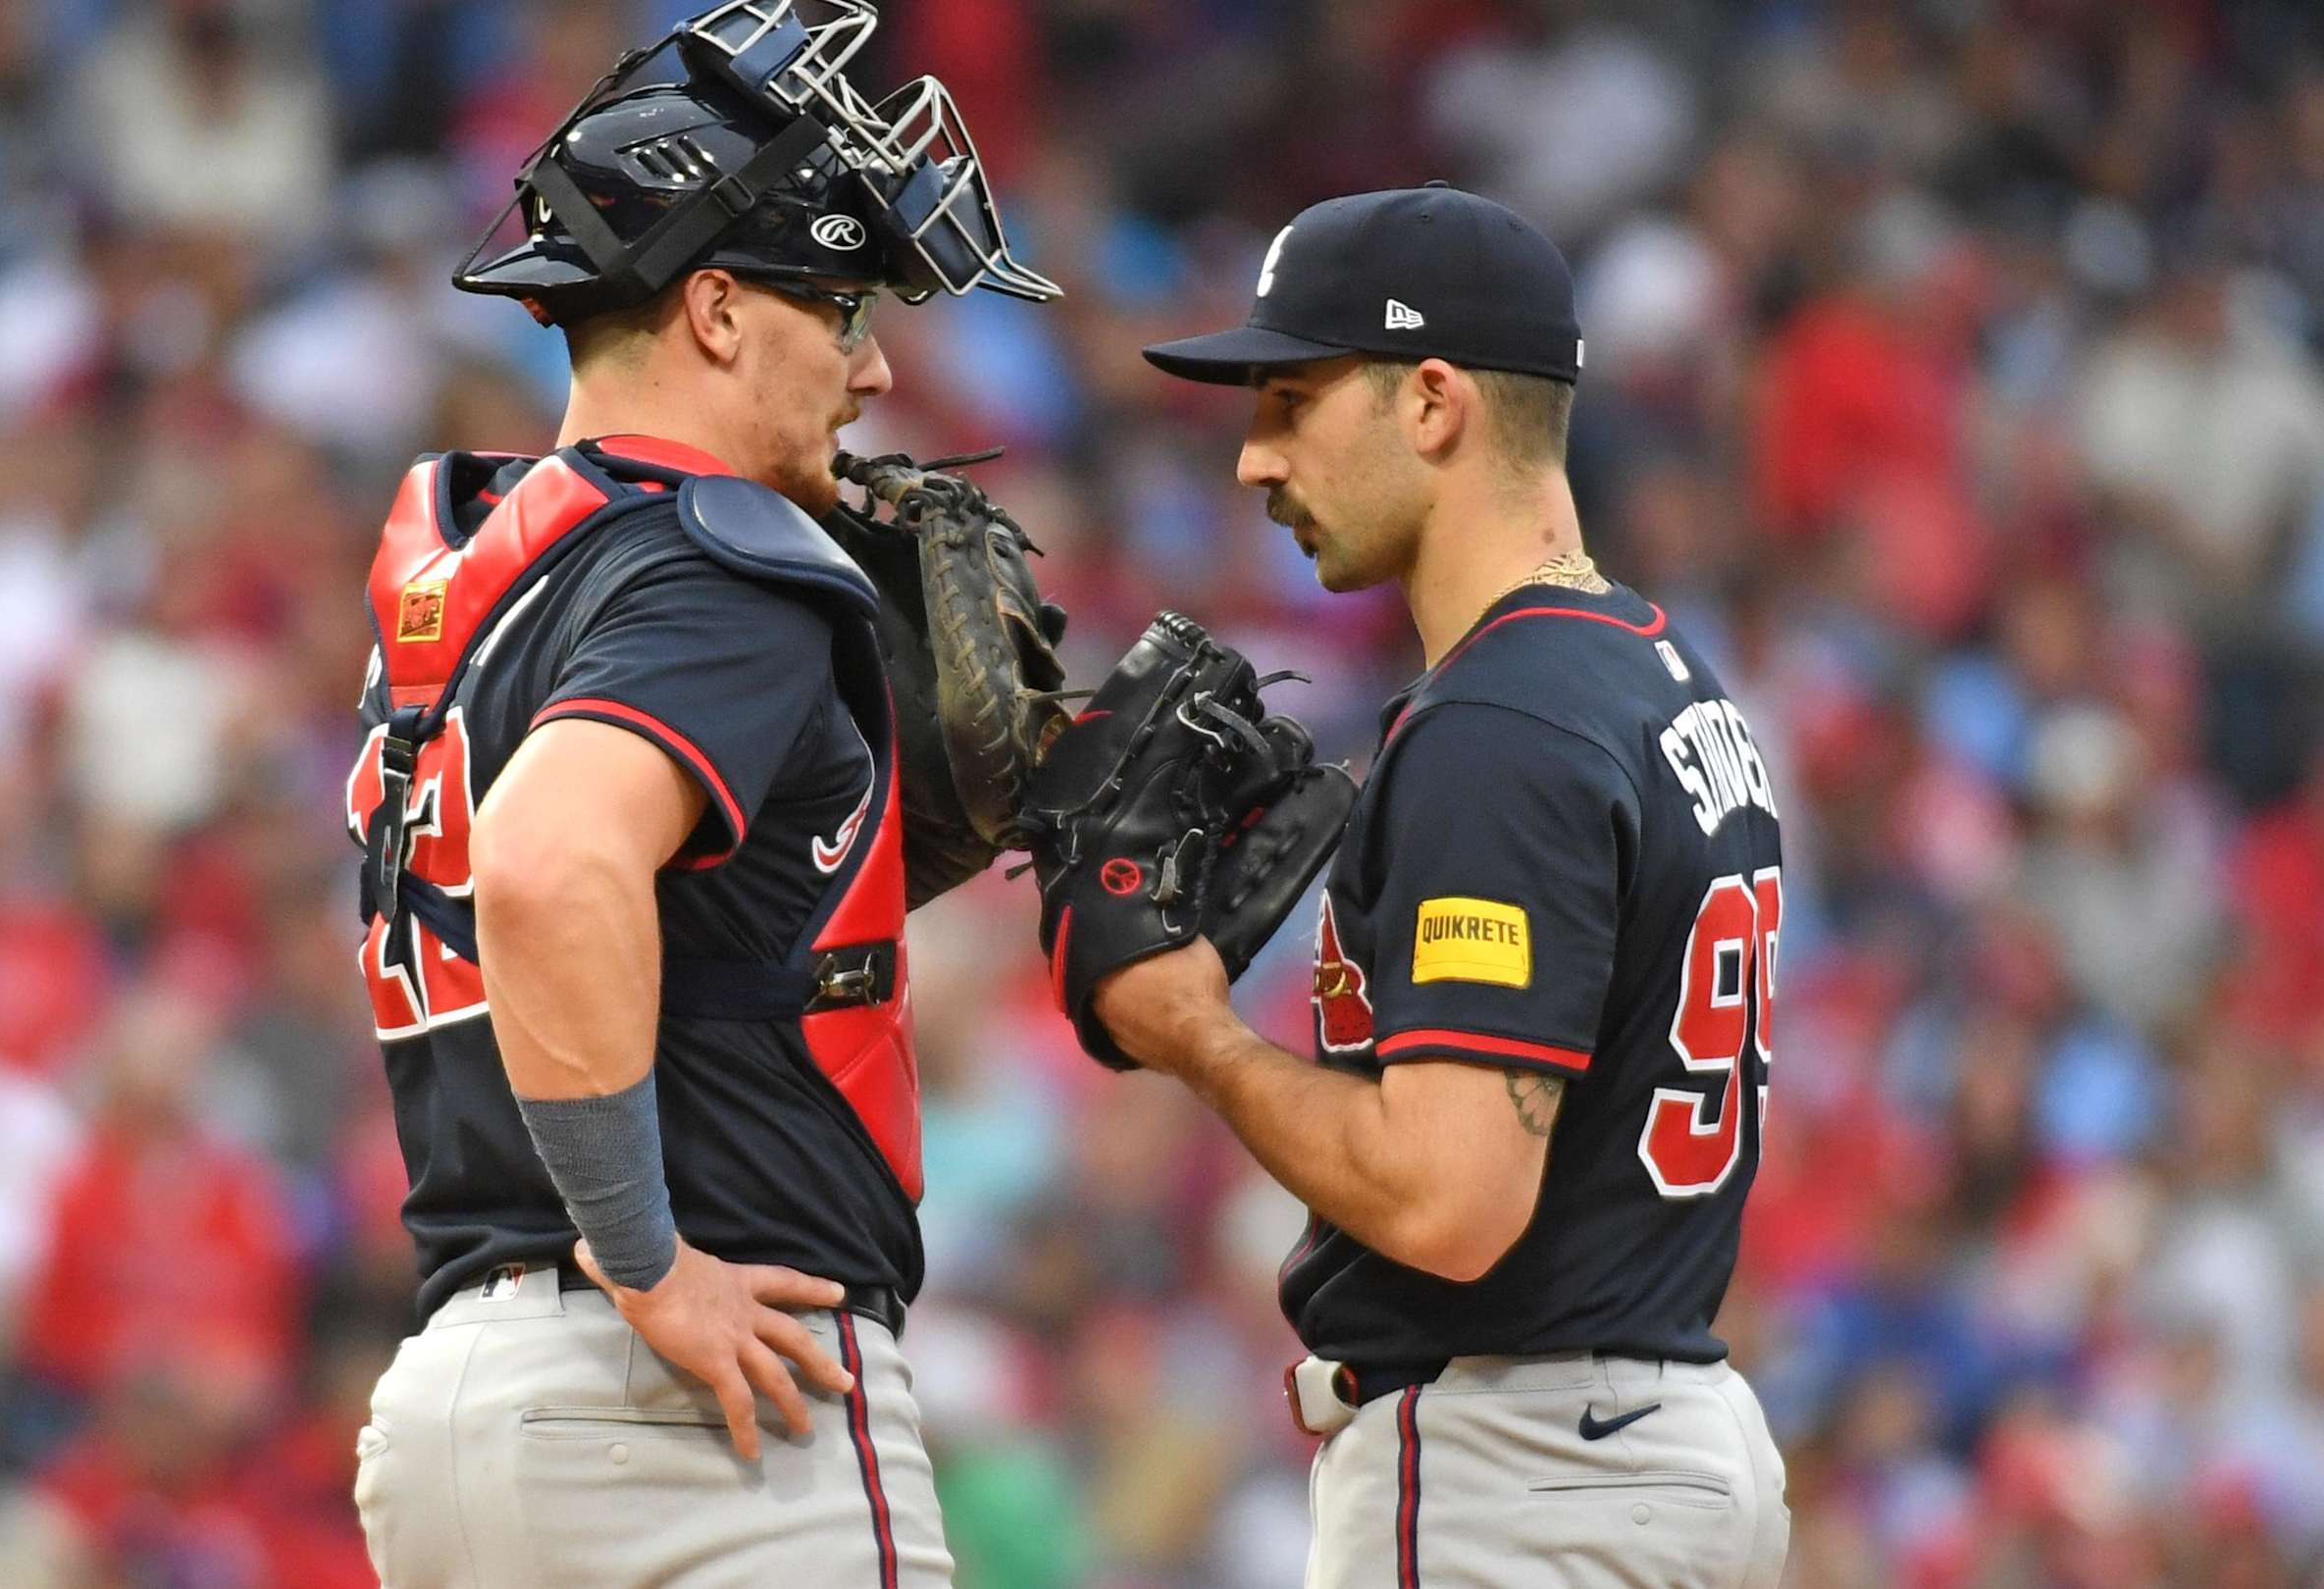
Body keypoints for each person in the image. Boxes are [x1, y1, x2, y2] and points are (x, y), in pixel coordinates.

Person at [337, 5, 1057, 1585]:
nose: (871, 368)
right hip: (689, 1405)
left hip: (466, 1408)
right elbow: (543, 867)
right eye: (841, 305)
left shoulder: (480, 571)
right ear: (718, 310)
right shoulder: (719, 564)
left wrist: (857, 844)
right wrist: (647, 1260)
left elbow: (649, 912)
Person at [1093, 185, 1792, 1587]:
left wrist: (1197, 1039)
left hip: (1519, 1475)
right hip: (1649, 1444)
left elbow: (1448, 1205)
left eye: (1290, 398)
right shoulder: (1651, 673)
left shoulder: (1502, 721)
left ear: (1430, 402)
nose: (1251, 460)